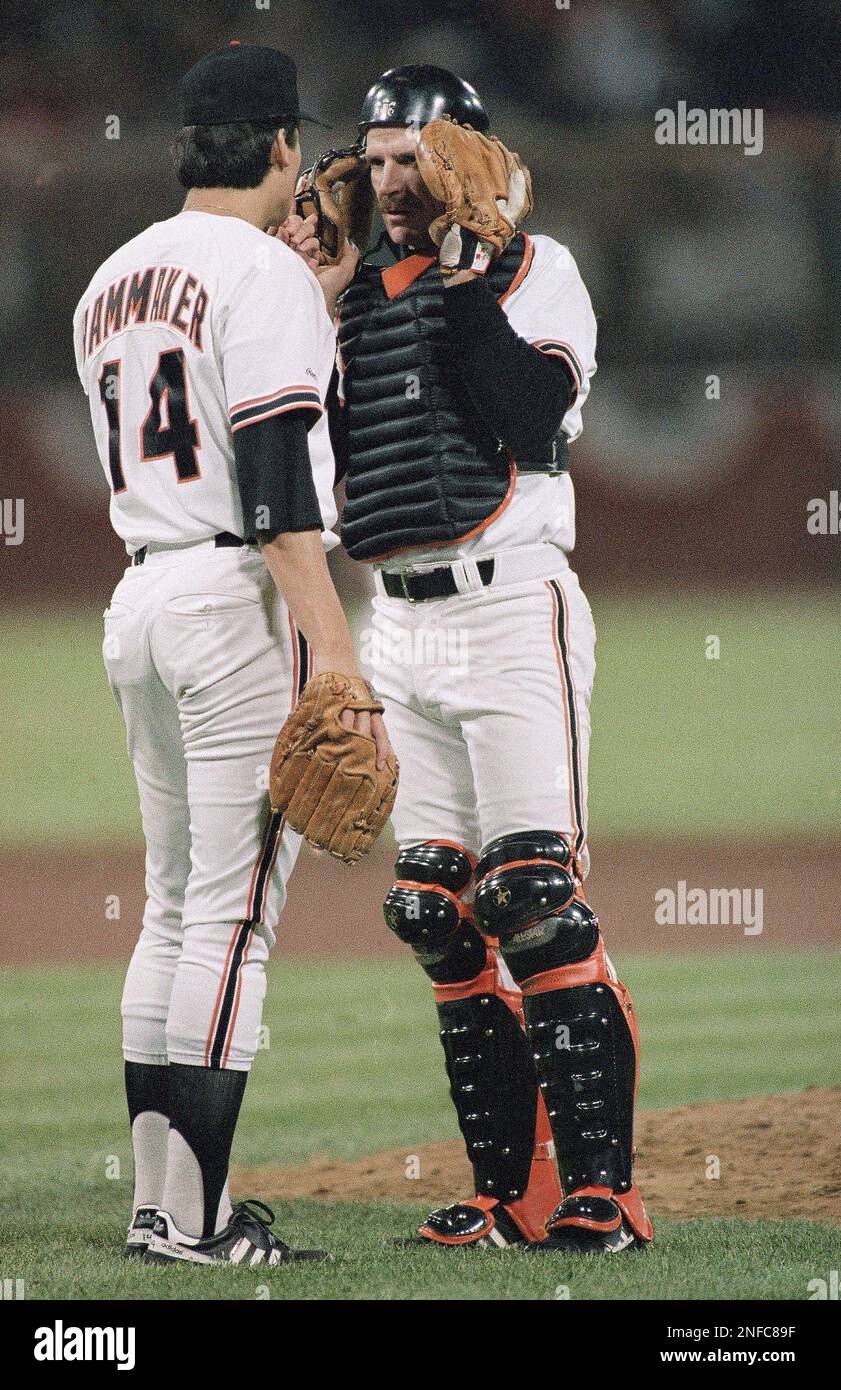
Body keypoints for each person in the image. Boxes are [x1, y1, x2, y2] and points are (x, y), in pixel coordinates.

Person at [290, 64, 653, 1252]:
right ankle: (510, 1197)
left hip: (510, 612)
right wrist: (335, 294)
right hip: (401, 620)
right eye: (378, 162)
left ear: (468, 163)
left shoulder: (534, 271)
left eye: (418, 160)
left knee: (533, 899)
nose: (394, 184)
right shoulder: (344, 295)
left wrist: (459, 279)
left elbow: (527, 418)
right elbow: (334, 467)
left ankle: (605, 1191)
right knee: (435, 912)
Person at [72, 42, 390, 1267]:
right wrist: (336, 659)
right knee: (236, 915)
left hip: (139, 598)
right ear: (280, 149)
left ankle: (160, 1210)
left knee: (169, 905)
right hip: (230, 602)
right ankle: (196, 1223)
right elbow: (277, 492)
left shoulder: (108, 279)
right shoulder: (260, 274)